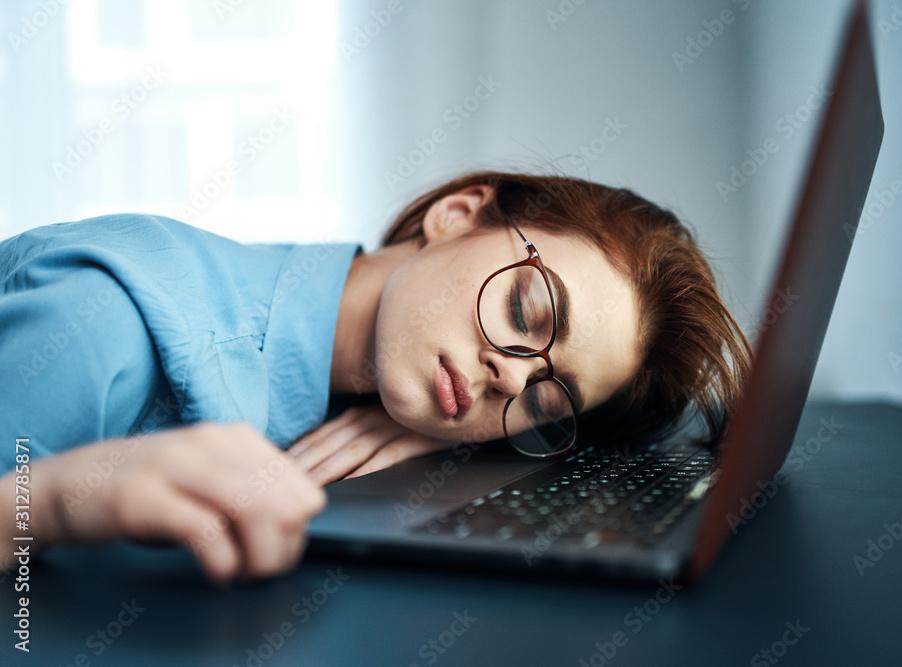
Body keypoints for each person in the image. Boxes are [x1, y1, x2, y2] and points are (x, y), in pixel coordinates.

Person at [0, 170, 751, 585]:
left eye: (548, 395)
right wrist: (55, 500)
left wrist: (416, 419)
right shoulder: (105, 320)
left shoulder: (399, 365)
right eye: (527, 309)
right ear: (458, 214)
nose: (506, 379)